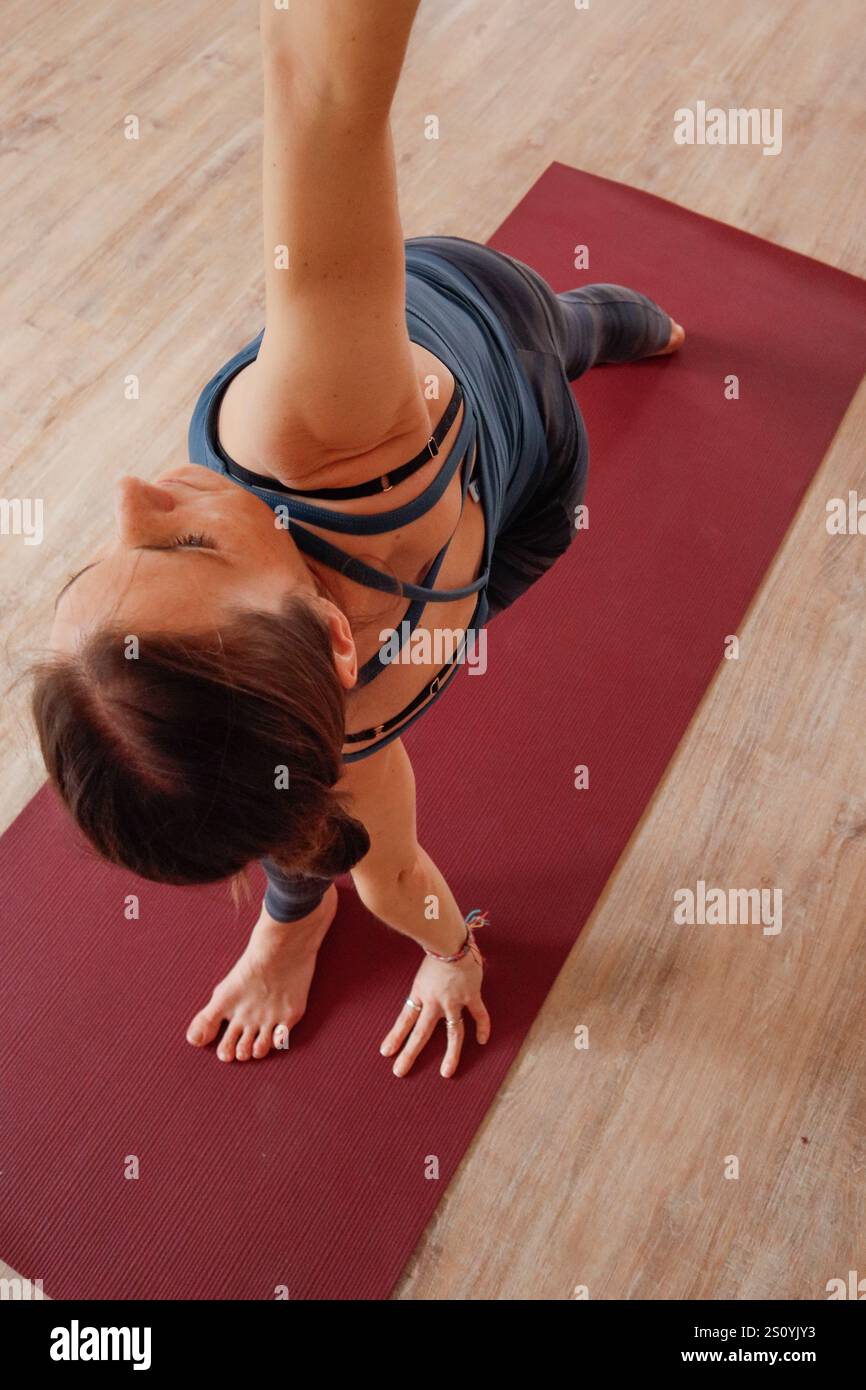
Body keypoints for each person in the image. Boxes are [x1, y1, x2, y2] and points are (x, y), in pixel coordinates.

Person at [33, 0, 683, 1079]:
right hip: (494, 334)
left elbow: (390, 878)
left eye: (104, 555)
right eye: (182, 547)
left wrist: (454, 957)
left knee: (297, 798)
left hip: (502, 542)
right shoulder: (311, 429)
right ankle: (625, 322)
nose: (135, 491)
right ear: (328, 633)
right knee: (566, 329)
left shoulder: (336, 755)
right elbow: (323, 96)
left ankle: (292, 919)